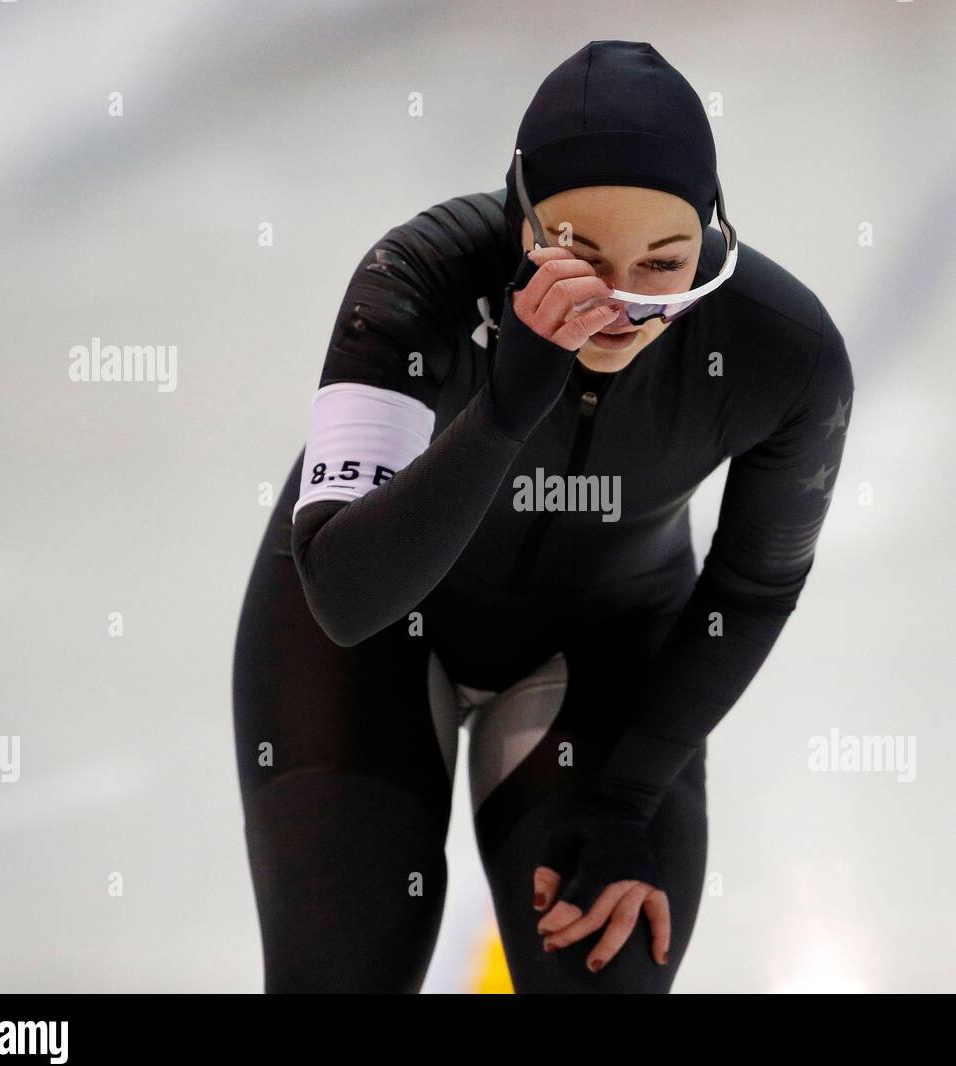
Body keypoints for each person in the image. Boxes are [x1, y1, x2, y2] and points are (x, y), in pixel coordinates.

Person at [232, 39, 854, 993]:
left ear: (714, 241)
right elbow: (347, 597)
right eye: (577, 258)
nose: (619, 304)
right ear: (518, 221)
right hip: (370, 639)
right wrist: (503, 413)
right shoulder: (420, 280)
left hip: (602, 650)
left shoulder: (781, 348)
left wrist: (629, 797)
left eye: (665, 263)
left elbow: (755, 588)